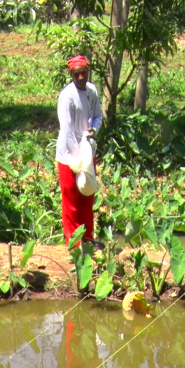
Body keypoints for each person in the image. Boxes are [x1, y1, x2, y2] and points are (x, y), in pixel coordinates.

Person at [56, 55, 103, 249]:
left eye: (84, 73)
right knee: (71, 199)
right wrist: (77, 159)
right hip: (68, 155)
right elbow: (66, 131)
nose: (81, 77)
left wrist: (94, 130)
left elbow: (98, 115)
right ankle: (74, 243)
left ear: (88, 71)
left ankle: (88, 238)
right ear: (71, 75)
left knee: (87, 195)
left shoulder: (92, 91)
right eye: (77, 74)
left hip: (86, 150)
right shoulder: (67, 96)